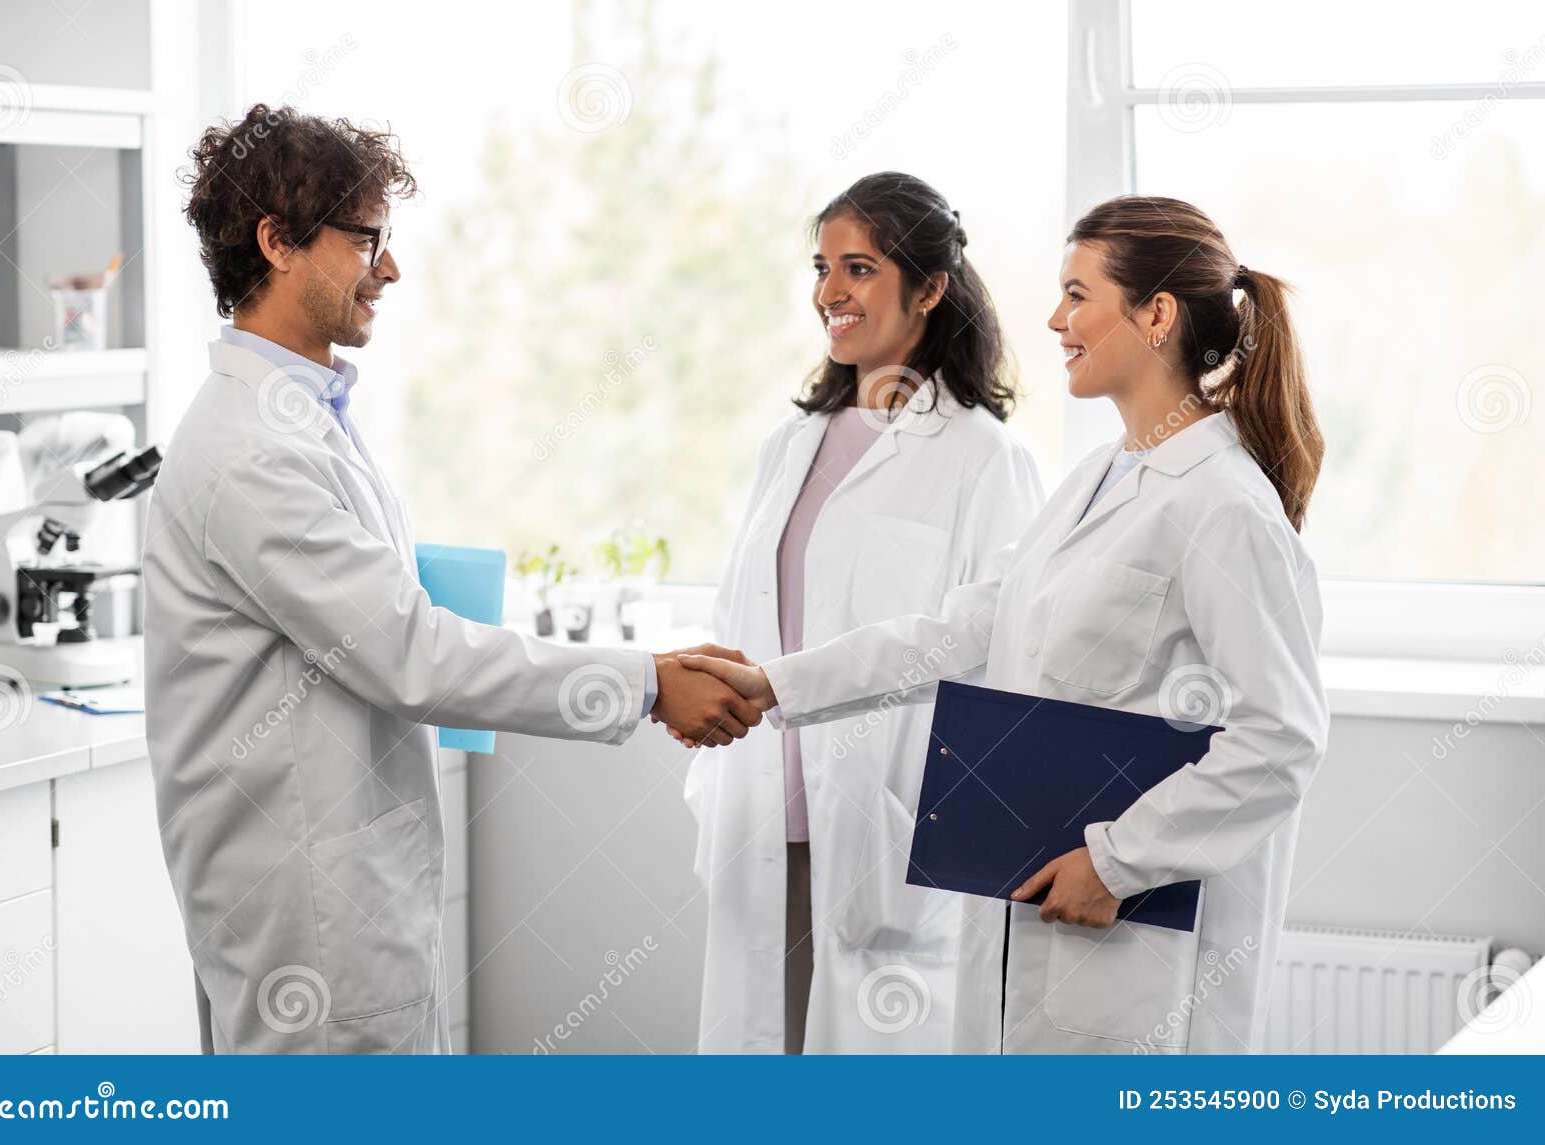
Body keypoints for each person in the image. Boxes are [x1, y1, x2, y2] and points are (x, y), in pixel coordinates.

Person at [144, 105, 758, 1054]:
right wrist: (644, 683)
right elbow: (408, 653)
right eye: (366, 239)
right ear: (277, 243)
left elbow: (377, 624)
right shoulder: (250, 450)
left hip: (344, 893)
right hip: (310, 918)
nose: (389, 268)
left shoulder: (302, 414)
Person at [681, 195, 1328, 1054]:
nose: (1055, 320)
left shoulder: (1225, 506)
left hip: (1137, 961)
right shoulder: (1100, 475)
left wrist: (1117, 860)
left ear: (1157, 315)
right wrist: (777, 683)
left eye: (1077, 295)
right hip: (1031, 926)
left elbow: (1280, 739)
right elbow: (966, 627)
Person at [680, 173, 1043, 1053]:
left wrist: (786, 684)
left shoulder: (982, 457)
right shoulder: (790, 445)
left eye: (859, 268)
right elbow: (750, 609)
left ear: (929, 287)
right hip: (762, 811)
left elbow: (985, 637)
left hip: (883, 826)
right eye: (822, 268)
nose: (829, 293)